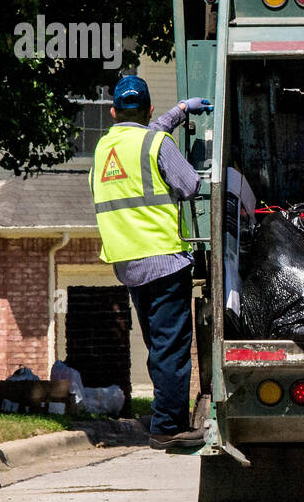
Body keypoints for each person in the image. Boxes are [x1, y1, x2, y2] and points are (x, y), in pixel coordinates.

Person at [89, 74, 212, 450]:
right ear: (149, 109)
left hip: (128, 264)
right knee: (171, 348)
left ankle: (165, 418)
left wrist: (178, 112)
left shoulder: (103, 148)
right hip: (164, 260)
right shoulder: (157, 142)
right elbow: (189, 184)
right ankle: (167, 427)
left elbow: (140, 136)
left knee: (159, 346)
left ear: (112, 112)